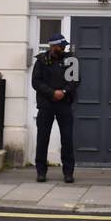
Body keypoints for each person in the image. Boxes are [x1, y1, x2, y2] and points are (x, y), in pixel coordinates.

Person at [32, 33, 78, 183]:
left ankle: (68, 172)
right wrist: (52, 93)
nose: (63, 48)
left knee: (67, 139)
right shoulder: (41, 60)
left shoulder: (70, 59)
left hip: (64, 104)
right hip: (46, 105)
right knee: (42, 138)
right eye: (60, 46)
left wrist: (63, 92)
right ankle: (41, 171)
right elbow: (36, 82)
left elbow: (75, 81)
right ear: (53, 46)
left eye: (63, 46)